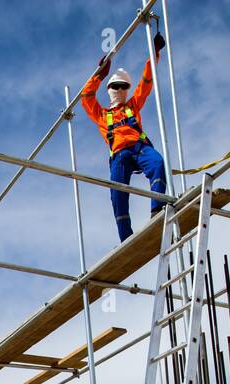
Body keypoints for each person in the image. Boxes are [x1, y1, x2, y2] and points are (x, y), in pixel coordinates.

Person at [81, 34, 168, 241]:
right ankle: (126, 237)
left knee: (157, 163)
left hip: (139, 149)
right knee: (117, 193)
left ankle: (157, 209)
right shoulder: (102, 115)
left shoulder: (133, 106)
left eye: (123, 86)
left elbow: (147, 81)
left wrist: (154, 53)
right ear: (109, 89)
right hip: (119, 156)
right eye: (115, 86)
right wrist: (99, 76)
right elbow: (86, 97)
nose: (119, 90)